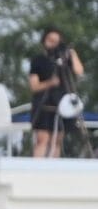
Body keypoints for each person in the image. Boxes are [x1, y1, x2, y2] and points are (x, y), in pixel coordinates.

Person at [29, 26, 85, 159]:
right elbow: (34, 86)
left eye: (56, 41)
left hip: (62, 105)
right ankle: (37, 167)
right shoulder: (38, 60)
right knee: (43, 139)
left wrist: (72, 54)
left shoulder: (64, 60)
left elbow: (79, 71)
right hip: (44, 105)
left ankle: (54, 166)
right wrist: (50, 83)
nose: (52, 43)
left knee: (57, 140)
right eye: (50, 40)